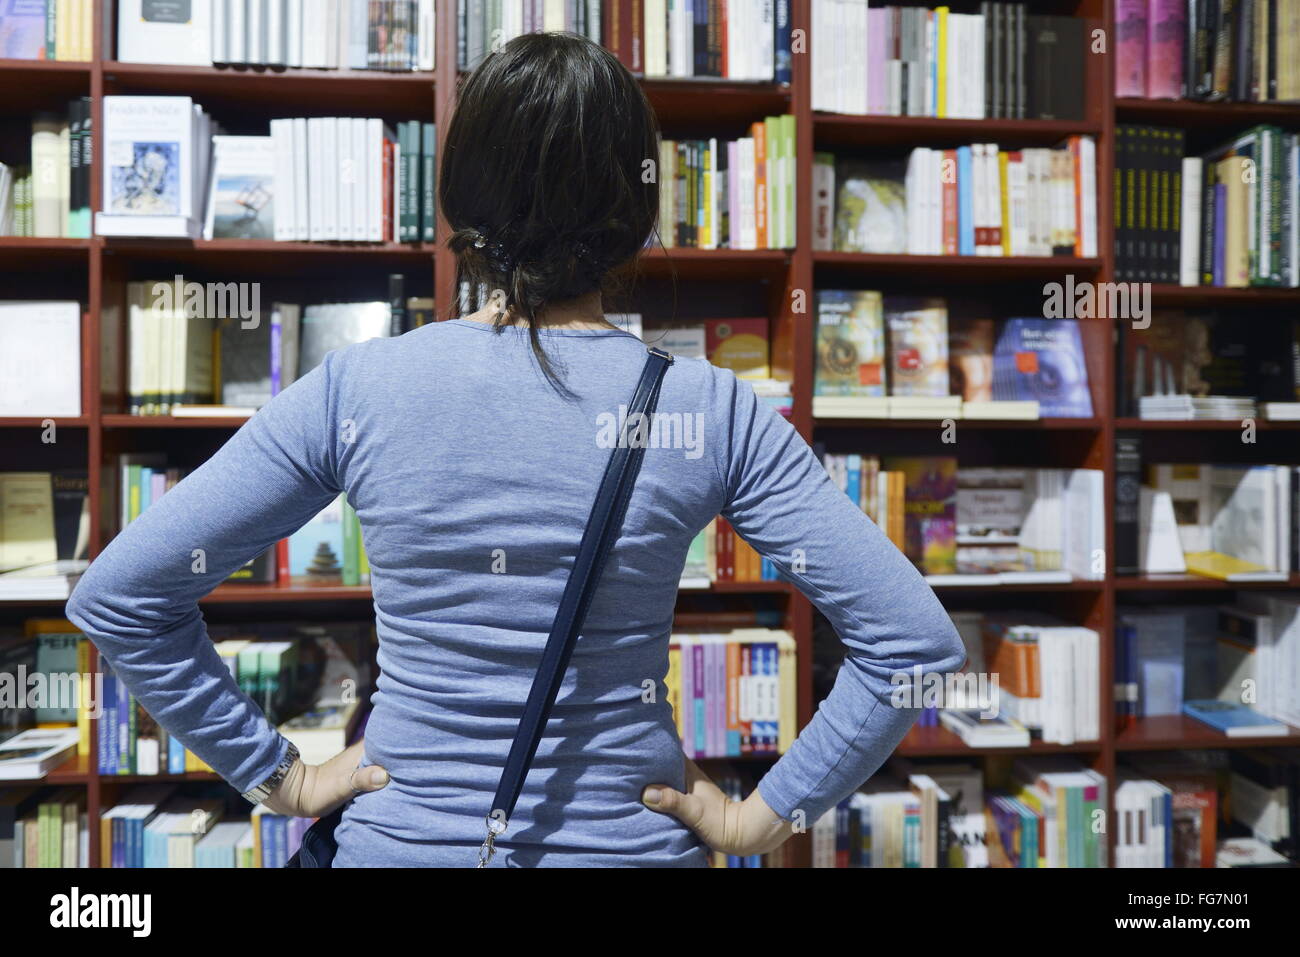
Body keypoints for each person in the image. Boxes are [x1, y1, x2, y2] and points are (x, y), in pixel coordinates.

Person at [66, 32, 966, 867]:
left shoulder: (359, 389)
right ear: (639, 203)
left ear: (461, 194)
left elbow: (122, 594)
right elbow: (913, 643)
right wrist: (761, 820)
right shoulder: (712, 408)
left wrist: (281, 779)